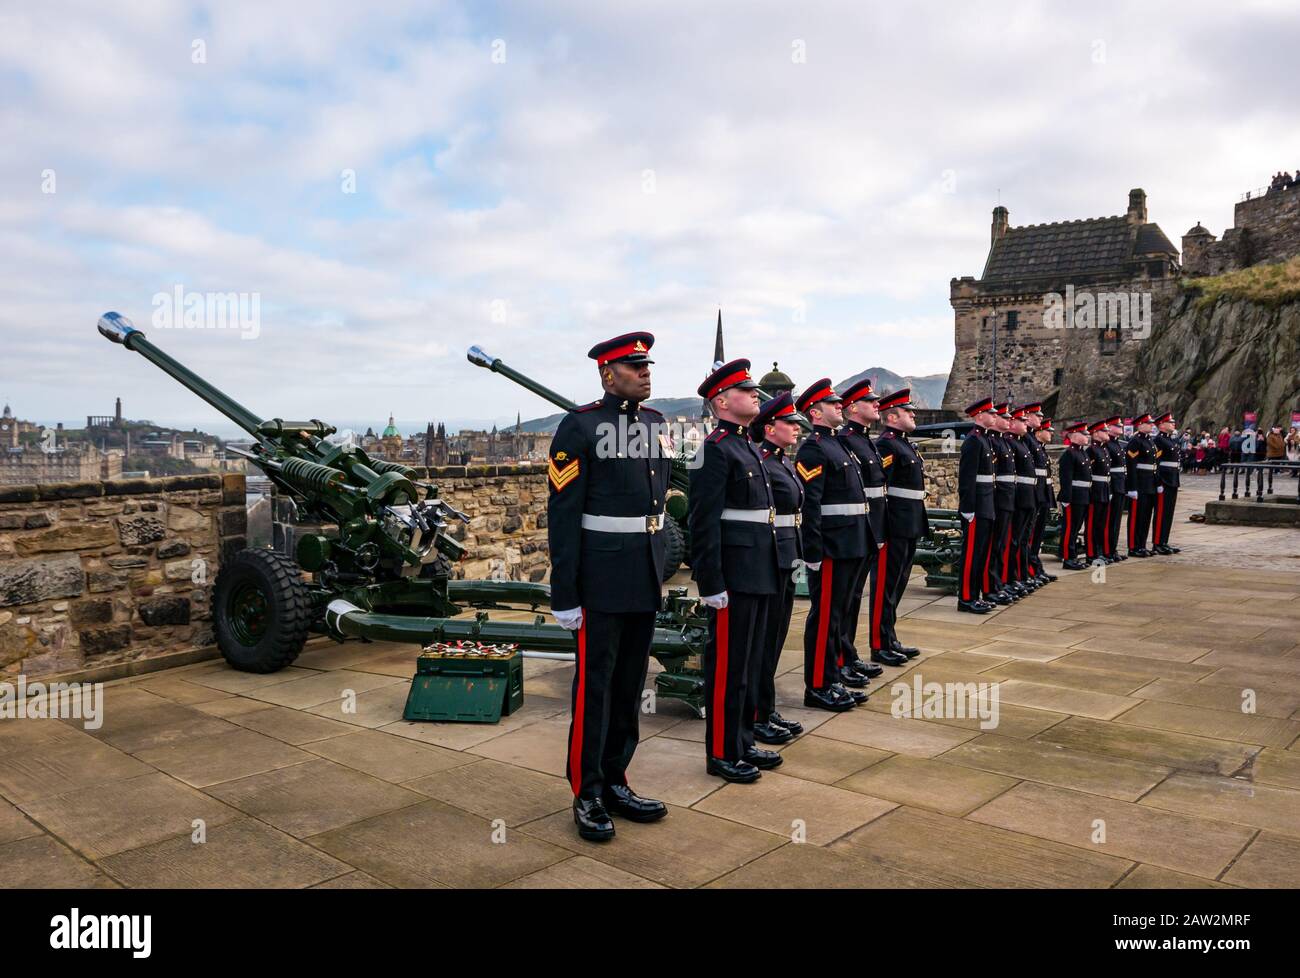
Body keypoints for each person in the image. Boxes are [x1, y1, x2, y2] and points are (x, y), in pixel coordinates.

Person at [547, 331, 672, 841]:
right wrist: (565, 594)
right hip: (599, 578)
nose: (645, 372)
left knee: (629, 685)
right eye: (634, 366)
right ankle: (588, 790)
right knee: (595, 688)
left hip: (643, 572)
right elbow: (564, 515)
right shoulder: (579, 427)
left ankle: (617, 778)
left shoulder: (657, 425)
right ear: (607, 373)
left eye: (647, 365)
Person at [689, 359, 782, 784]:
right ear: (722, 401)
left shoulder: (746, 445)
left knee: (746, 662)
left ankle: (742, 740)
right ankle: (723, 751)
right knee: (727, 666)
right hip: (734, 576)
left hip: (759, 568)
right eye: (747, 391)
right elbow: (702, 522)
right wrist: (712, 583)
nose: (756, 396)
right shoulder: (713, 449)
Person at [796, 378, 870, 711]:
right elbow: (810, 506)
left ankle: (833, 677)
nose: (840, 406)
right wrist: (813, 553)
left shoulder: (838, 444)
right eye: (833, 404)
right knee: (824, 617)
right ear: (815, 412)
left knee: (837, 616)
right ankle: (818, 685)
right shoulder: (813, 447)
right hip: (830, 548)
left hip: (852, 543)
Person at [748, 392, 807, 746]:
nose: (797, 429)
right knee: (763, 642)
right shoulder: (764, 463)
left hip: (788, 555)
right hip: (771, 556)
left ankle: (765, 708)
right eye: (790, 423)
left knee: (775, 641)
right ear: (771, 428)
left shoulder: (782, 462)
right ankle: (756, 713)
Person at [836, 379, 895, 671]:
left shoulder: (864, 440)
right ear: (853, 408)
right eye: (870, 401)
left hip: (872, 526)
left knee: (855, 596)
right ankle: (843, 656)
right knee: (845, 600)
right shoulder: (847, 439)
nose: (877, 405)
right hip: (856, 529)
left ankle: (849, 653)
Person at [872, 389, 929, 658]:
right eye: (908, 411)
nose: (913, 413)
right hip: (894, 525)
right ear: (892, 417)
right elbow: (880, 488)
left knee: (897, 586)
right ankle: (879, 643)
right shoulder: (886, 444)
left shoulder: (906, 444)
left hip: (910, 523)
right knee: (885, 587)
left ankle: (890, 637)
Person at [956, 398, 999, 614]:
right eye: (991, 413)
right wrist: (968, 508)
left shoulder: (984, 439)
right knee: (971, 554)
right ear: (980, 416)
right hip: (976, 507)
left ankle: (975, 595)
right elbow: (967, 478)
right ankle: (965, 598)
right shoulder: (973, 440)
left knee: (981, 553)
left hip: (986, 504)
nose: (995, 417)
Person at [985, 403, 1022, 603]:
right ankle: (992, 585)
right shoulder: (991, 442)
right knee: (995, 546)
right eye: (1005, 418)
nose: (1009, 421)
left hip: (1007, 500)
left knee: (1001, 545)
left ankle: (999, 583)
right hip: (997, 501)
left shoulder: (1004, 443)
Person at [1006, 406, 1041, 589]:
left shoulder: (1021, 442)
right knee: (1013, 540)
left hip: (1029, 496)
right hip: (1019, 497)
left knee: (1023, 539)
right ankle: (1011, 578)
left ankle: (1021, 575)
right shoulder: (1012, 442)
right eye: (1022, 420)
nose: (1026, 423)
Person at [1023, 409, 1058, 582]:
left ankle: (1035, 568)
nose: (1051, 433)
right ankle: (1030, 569)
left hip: (1041, 494)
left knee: (1036, 536)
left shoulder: (1035, 444)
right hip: (1034, 494)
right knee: (1029, 536)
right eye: (1038, 416)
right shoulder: (1028, 440)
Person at [1057, 421, 1093, 570]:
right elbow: (1066, 479)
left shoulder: (1082, 452)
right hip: (1073, 497)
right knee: (1069, 529)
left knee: (1076, 528)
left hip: (1084, 495)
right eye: (1084, 434)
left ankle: (1073, 556)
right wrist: (1066, 499)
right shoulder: (1069, 454)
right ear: (1074, 435)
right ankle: (1067, 557)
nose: (1088, 436)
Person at [1125, 413, 1159, 557]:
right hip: (1139, 484)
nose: (1152, 425)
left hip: (1150, 483)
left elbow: (1155, 464)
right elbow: (1131, 466)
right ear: (1140, 425)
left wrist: (1157, 483)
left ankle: (1142, 545)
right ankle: (1133, 547)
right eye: (1148, 423)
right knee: (1136, 517)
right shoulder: (1135, 441)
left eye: (1152, 423)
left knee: (1146, 517)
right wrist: (1132, 487)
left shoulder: (1150, 441)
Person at [1152, 412, 1183, 555]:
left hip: (1173, 479)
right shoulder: (1158, 440)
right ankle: (1157, 542)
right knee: (1161, 513)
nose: (1173, 424)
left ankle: (1164, 541)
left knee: (1168, 513)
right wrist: (1158, 482)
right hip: (1164, 480)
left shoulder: (1172, 440)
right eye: (1170, 422)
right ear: (1162, 425)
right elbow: (1156, 463)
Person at [1085, 420, 1113, 563]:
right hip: (1095, 490)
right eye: (1104, 431)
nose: (1107, 433)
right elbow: (1088, 472)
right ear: (1095, 433)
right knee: (1092, 524)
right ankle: (1091, 554)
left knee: (1101, 523)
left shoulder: (1104, 449)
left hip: (1104, 489)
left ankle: (1099, 551)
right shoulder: (1091, 450)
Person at [1105, 417, 1128, 561]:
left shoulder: (1117, 444)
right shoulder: (1107, 444)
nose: (1120, 427)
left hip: (1120, 485)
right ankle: (1107, 550)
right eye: (1117, 426)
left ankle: (1112, 549)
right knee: (1110, 520)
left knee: (1117, 520)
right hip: (1112, 485)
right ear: (1110, 427)